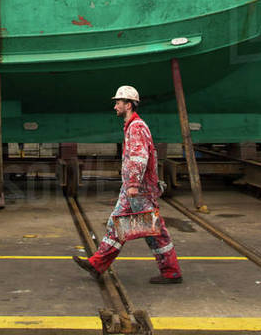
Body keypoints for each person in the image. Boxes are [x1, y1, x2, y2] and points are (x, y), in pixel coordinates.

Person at [72, 85, 183, 284]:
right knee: (118, 225)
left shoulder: (137, 127)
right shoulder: (131, 126)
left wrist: (132, 184)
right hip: (133, 189)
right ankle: (97, 264)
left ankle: (171, 271)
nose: (115, 106)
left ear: (128, 105)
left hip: (139, 190)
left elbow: (139, 157)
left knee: (154, 231)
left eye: (118, 103)